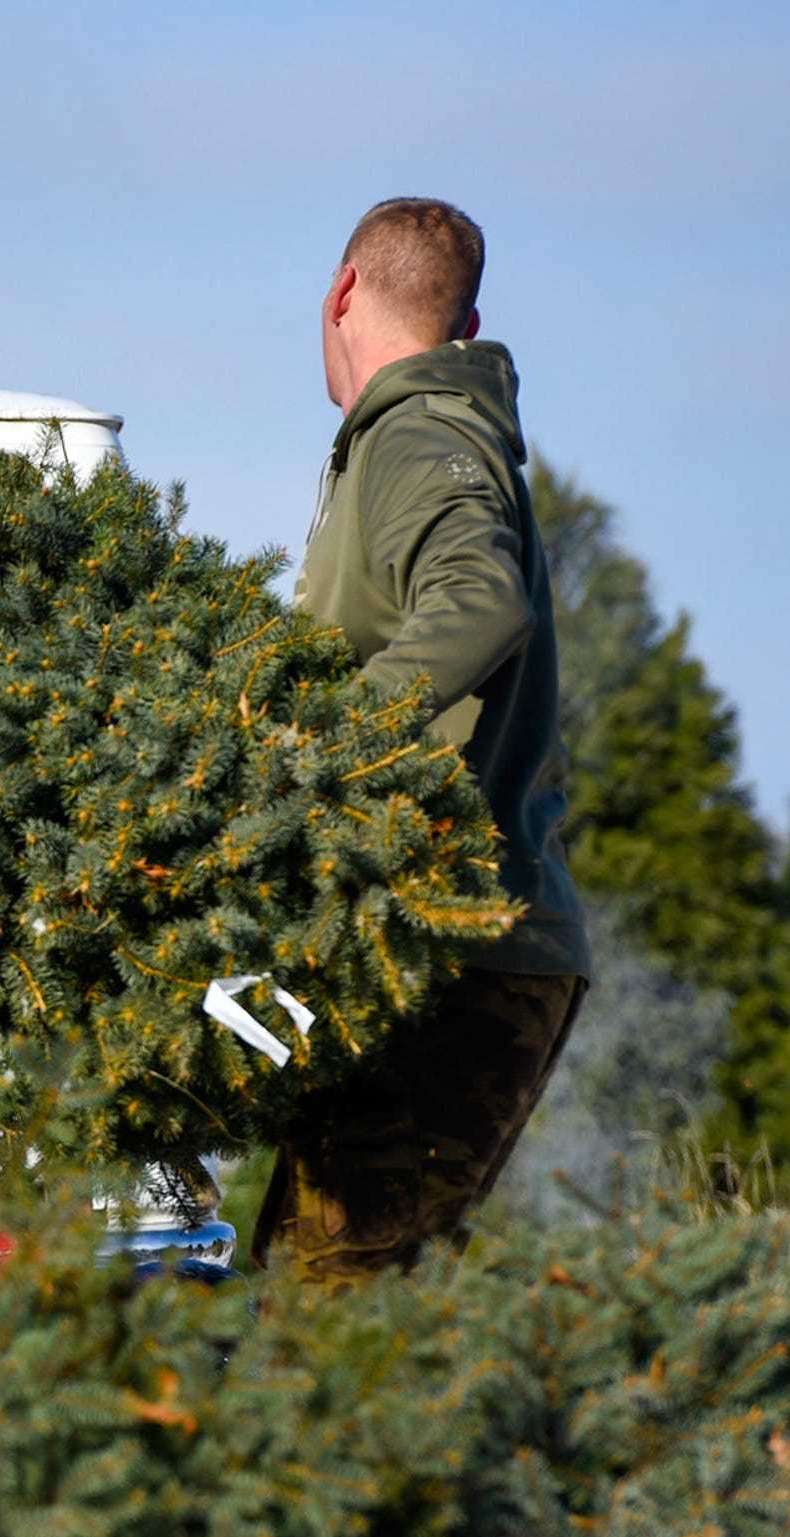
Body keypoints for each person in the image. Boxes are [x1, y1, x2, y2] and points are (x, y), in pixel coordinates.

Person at [254, 197, 592, 1284]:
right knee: (302, 1298)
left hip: (450, 951)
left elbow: (482, 600)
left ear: (343, 291)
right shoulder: (420, 429)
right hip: (427, 943)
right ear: (468, 318)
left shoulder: (417, 429)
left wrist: (319, 749)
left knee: (339, 1335)